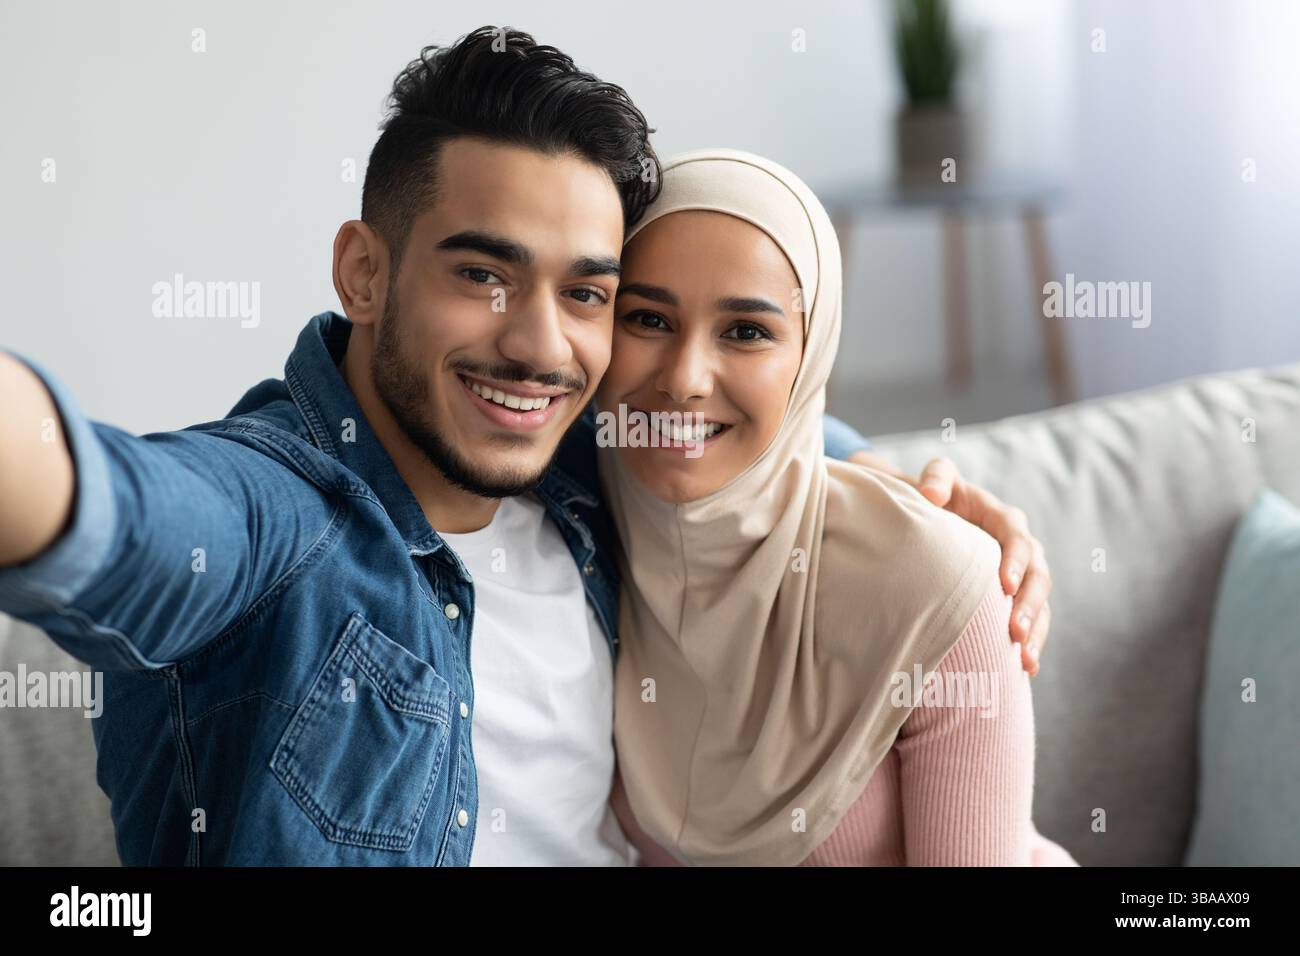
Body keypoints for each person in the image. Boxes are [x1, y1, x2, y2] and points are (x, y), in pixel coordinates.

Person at [0, 28, 1051, 866]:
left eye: (588, 294)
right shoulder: (272, 518)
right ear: (364, 273)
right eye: (483, 275)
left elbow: (739, 433)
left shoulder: (587, 472)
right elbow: (117, 501)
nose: (541, 347)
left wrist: (894, 486)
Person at [599, 149, 1077, 865]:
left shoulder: (934, 583)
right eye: (647, 319)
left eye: (746, 331)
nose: (686, 378)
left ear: (812, 355)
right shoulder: (569, 520)